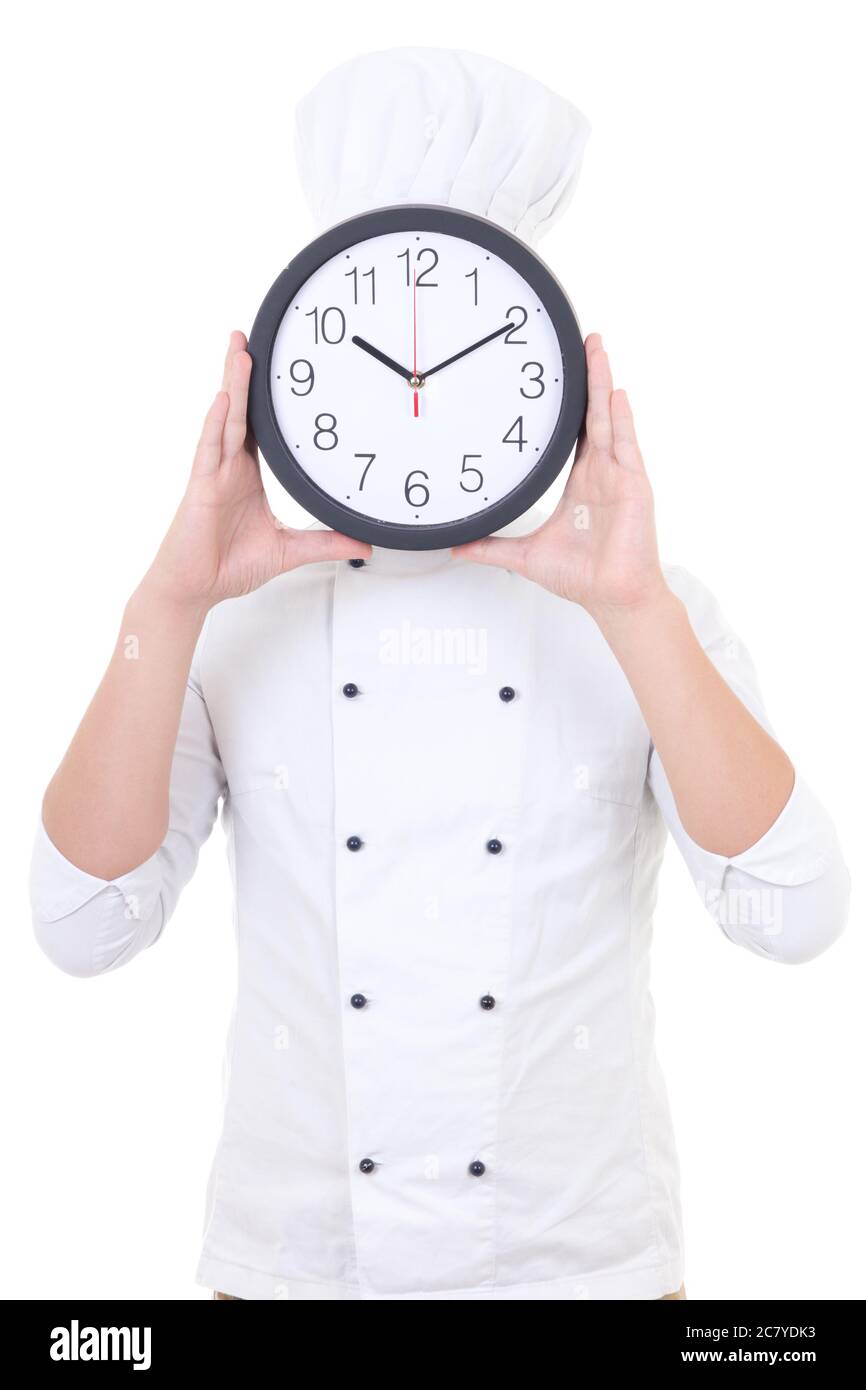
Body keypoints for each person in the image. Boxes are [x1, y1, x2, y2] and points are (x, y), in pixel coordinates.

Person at [30, 50, 849, 1302]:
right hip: (292, 1270)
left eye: (467, 355)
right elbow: (80, 925)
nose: (419, 398)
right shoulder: (228, 628)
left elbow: (791, 916)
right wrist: (164, 601)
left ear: (550, 370)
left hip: (586, 1272)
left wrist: (632, 603)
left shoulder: (646, 614)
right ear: (287, 370)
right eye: (375, 361)